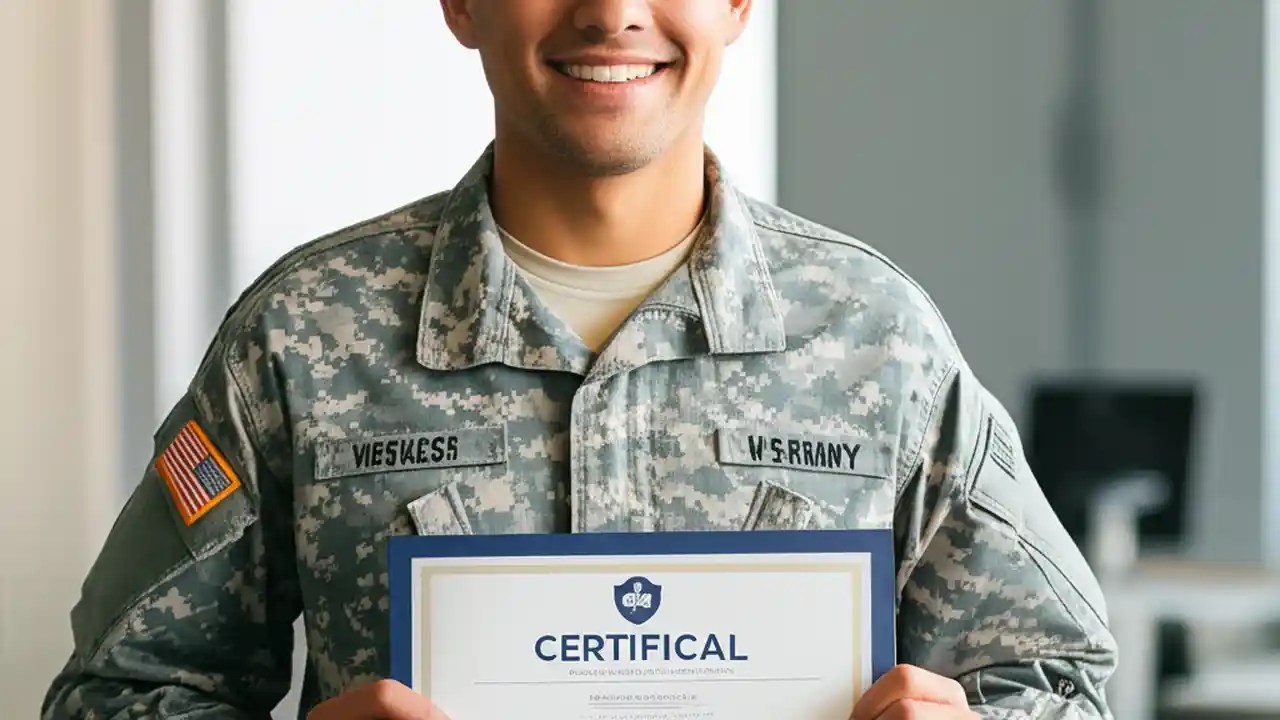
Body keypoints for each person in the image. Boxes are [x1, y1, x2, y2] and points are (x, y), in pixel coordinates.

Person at [43, 1, 1117, 718]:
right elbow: (120, 689)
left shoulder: (878, 339)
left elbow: (1062, 682)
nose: (610, 10)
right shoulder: (301, 333)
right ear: (460, 0)